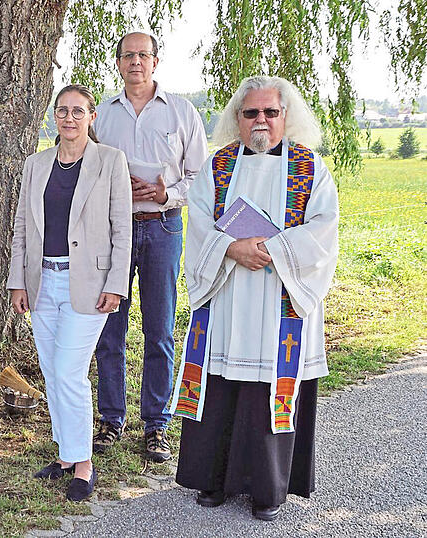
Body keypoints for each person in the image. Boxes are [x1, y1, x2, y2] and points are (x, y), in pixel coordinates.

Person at [172, 75, 338, 521]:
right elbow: (200, 221)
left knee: (269, 389)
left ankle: (268, 490)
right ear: (237, 119)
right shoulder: (217, 166)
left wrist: (273, 251)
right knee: (222, 385)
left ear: (286, 116)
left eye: (270, 112)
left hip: (280, 301)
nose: (260, 120)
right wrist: (232, 248)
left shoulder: (311, 168)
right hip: (227, 297)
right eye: (251, 113)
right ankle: (215, 481)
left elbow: (323, 231)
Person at [7, 84, 132, 502]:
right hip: (42, 281)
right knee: (50, 369)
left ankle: (83, 463)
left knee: (68, 371)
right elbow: (22, 227)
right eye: (62, 111)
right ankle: (64, 454)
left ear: (91, 117)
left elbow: (122, 229)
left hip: (90, 286)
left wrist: (117, 284)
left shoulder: (110, 162)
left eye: (78, 111)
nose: (69, 118)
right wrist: (17, 280)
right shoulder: (36, 165)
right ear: (53, 117)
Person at [90, 31, 208, 461]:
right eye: (128, 55)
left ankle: (156, 425)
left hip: (162, 227)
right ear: (118, 63)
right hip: (114, 232)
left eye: (143, 55)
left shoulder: (181, 112)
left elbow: (201, 178)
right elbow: (89, 172)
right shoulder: (101, 115)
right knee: (110, 330)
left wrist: (164, 193)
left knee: (159, 331)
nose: (135, 62)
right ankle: (111, 420)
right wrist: (117, 189)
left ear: (156, 61)